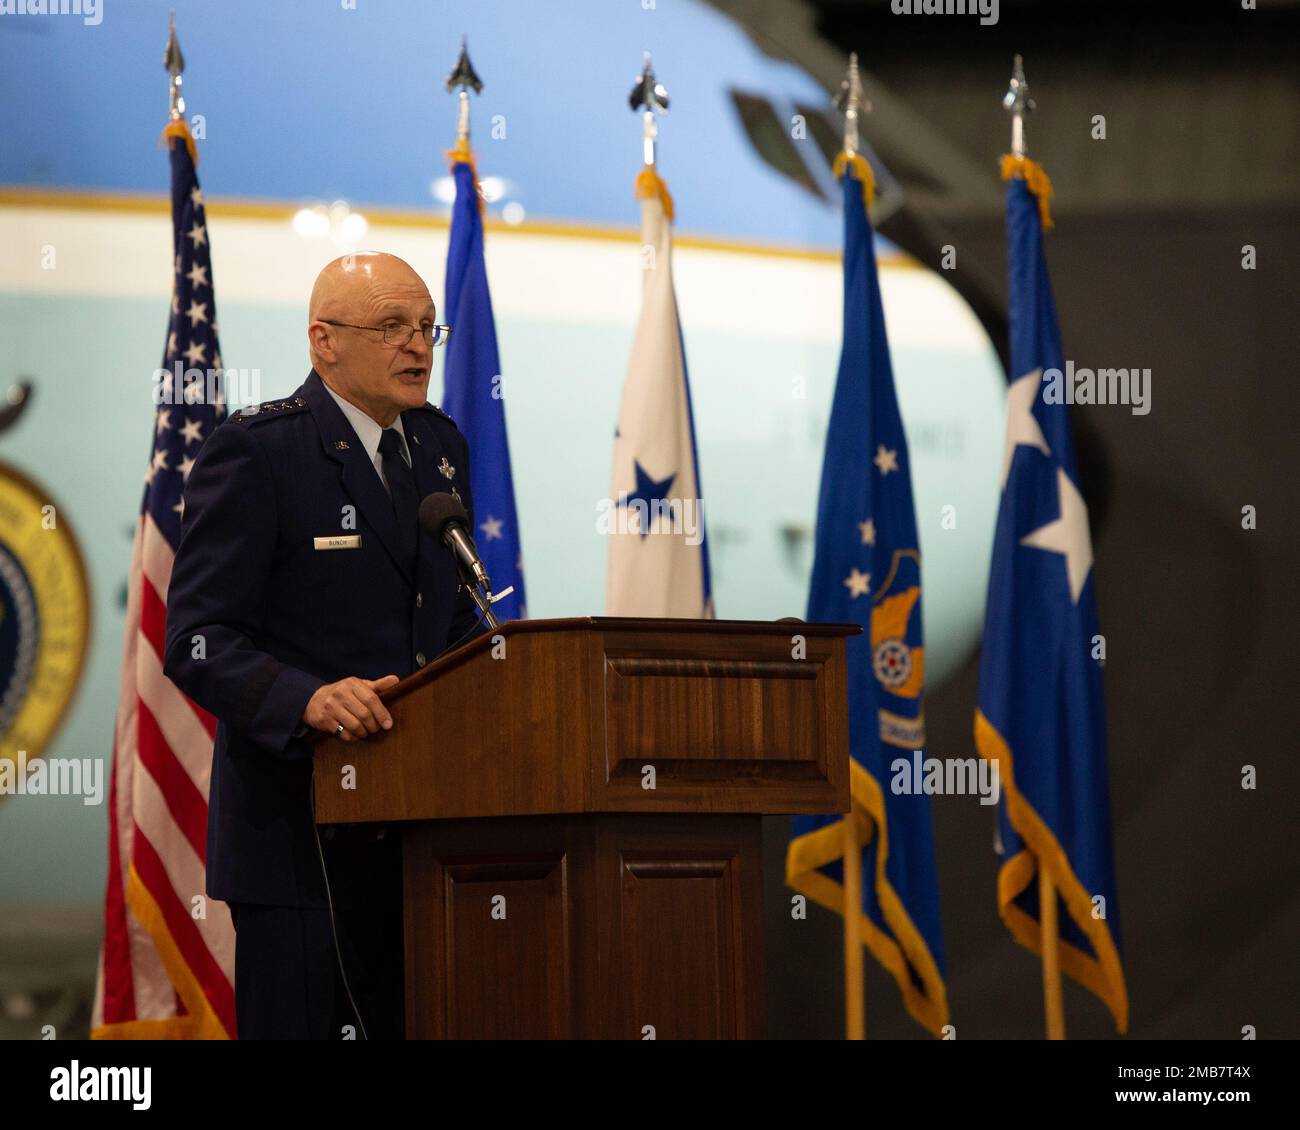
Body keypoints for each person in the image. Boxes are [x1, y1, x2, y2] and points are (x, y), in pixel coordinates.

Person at [163, 251, 484, 1039]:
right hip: (297, 843)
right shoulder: (259, 452)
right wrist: (305, 698)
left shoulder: (440, 448)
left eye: (425, 327)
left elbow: (449, 628)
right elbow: (198, 640)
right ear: (323, 341)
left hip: (422, 840)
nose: (418, 346)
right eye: (392, 327)